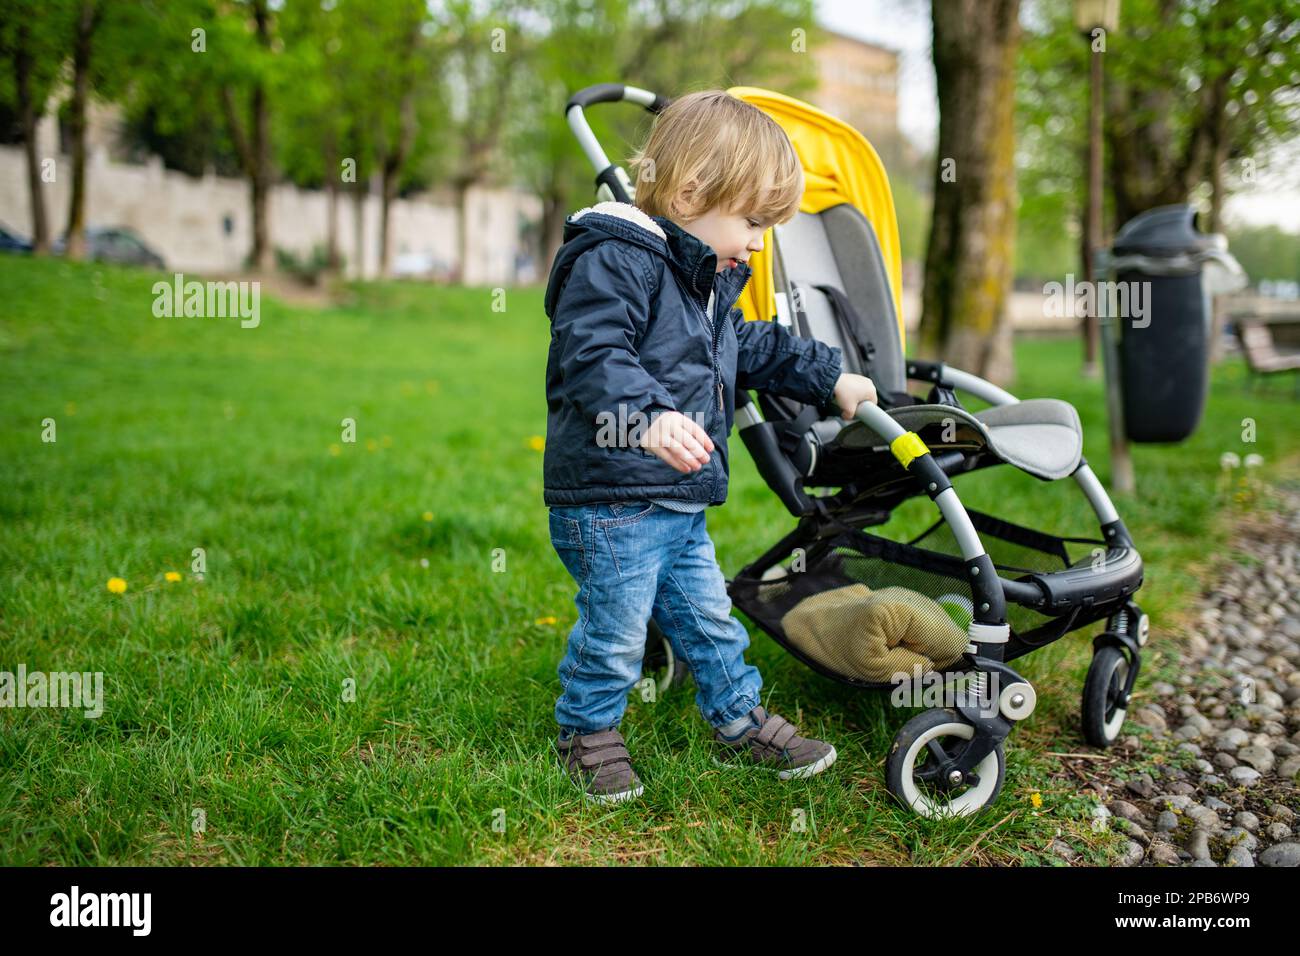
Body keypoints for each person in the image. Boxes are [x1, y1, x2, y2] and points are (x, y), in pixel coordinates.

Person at [542, 89, 878, 802]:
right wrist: (650, 416)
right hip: (610, 499)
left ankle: (737, 722)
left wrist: (832, 376)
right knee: (614, 631)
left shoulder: (706, 282)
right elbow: (593, 350)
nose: (759, 242)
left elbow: (747, 344)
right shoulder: (613, 258)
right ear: (691, 193)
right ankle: (588, 731)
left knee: (710, 620)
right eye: (754, 222)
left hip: (676, 503)